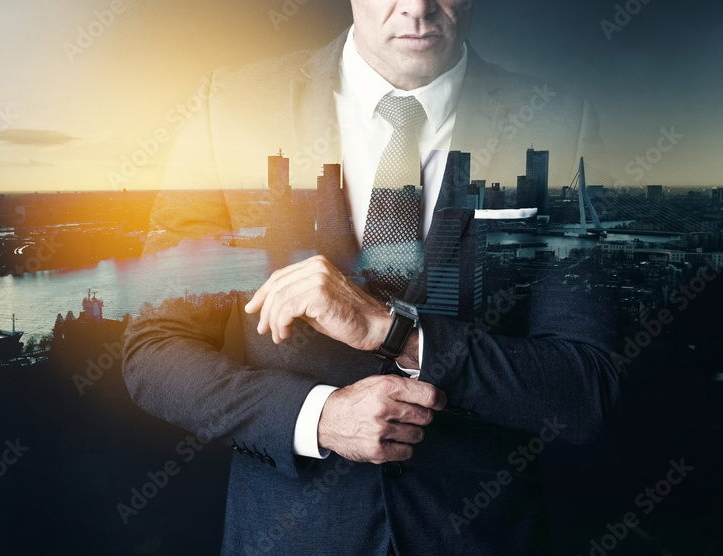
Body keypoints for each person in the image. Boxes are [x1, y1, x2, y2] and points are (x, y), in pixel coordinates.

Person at [123, 1, 622, 553]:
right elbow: (155, 347)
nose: (416, 7)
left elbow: (584, 388)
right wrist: (315, 418)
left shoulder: (561, 121)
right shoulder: (229, 107)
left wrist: (398, 334)